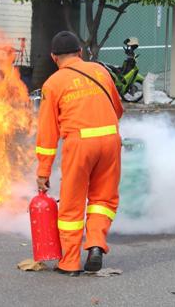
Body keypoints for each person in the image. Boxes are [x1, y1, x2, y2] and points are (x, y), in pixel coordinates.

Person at [35, 31, 124, 277]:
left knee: (72, 204)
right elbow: (117, 108)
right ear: (80, 53)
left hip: (80, 144)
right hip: (110, 140)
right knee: (103, 200)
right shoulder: (100, 71)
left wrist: (43, 171)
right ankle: (95, 244)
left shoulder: (52, 84)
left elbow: (47, 133)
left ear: (54, 57)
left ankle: (70, 262)